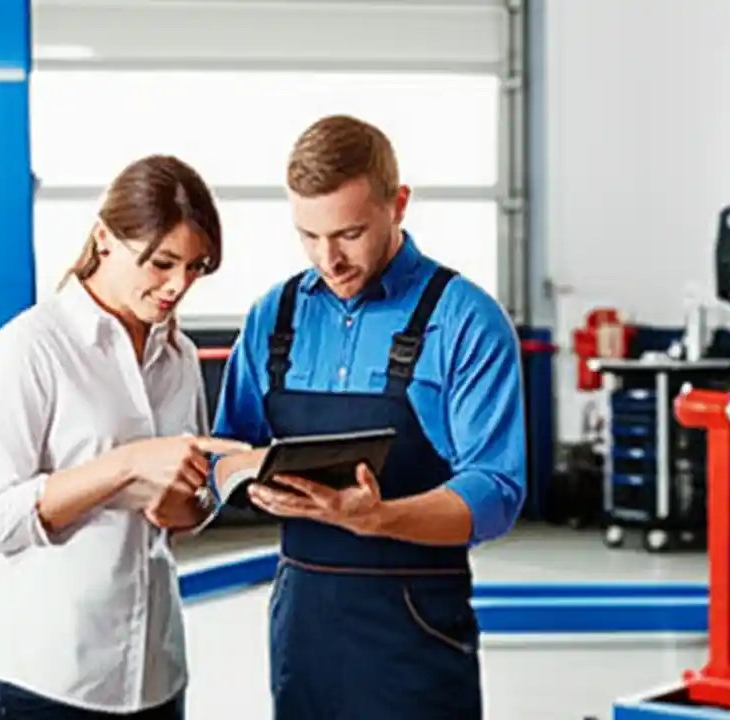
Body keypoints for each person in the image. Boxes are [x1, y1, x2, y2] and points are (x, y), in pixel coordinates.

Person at [210, 114, 527, 719]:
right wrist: (239, 479)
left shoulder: (464, 320)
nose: (328, 259)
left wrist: (377, 517)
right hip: (302, 624)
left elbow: (496, 490)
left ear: (398, 204)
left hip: (415, 630)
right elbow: (225, 449)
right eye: (308, 235)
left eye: (349, 233)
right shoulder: (273, 316)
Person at [0, 154, 247, 719]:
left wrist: (194, 501)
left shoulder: (180, 358)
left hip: (155, 674)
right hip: (45, 678)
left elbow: (186, 514)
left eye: (195, 267)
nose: (178, 286)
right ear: (103, 240)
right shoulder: (29, 349)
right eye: (162, 263)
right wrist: (128, 464)